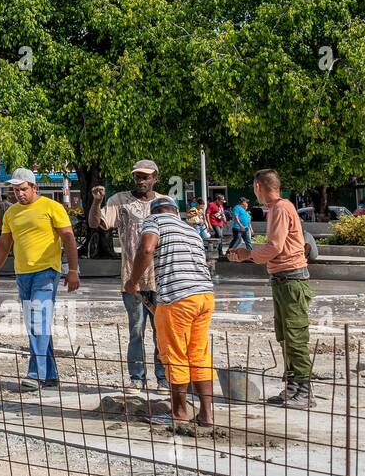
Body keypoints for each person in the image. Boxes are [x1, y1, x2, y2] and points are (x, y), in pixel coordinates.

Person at [0, 168, 80, 390]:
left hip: (47, 271)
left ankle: (35, 373)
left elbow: (68, 237)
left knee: (38, 318)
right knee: (36, 324)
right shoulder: (11, 213)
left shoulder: (52, 207)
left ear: (34, 187)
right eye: (15, 190)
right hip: (23, 274)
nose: (19, 194)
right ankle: (50, 375)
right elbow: (4, 244)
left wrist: (73, 270)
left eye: (23, 189)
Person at [227, 170, 314, 408]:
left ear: (258, 187)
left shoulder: (280, 208)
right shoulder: (279, 209)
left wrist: (248, 255)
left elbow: (274, 246)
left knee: (295, 336)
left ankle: (304, 391)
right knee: (286, 336)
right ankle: (294, 386)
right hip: (283, 279)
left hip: (291, 279)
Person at [127, 196, 216, 425]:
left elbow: (147, 249)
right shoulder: (190, 229)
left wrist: (132, 281)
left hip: (178, 298)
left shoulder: (154, 220)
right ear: (177, 212)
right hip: (204, 296)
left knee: (174, 354)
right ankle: (206, 414)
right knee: (199, 354)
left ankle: (179, 413)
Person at [88, 159, 169, 392]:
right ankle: (137, 377)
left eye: (146, 176)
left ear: (155, 177)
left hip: (160, 278)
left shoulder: (165, 203)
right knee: (136, 330)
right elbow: (97, 223)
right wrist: (97, 201)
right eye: (137, 176)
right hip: (131, 279)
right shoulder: (120, 201)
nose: (141, 181)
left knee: (161, 331)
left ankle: (163, 377)